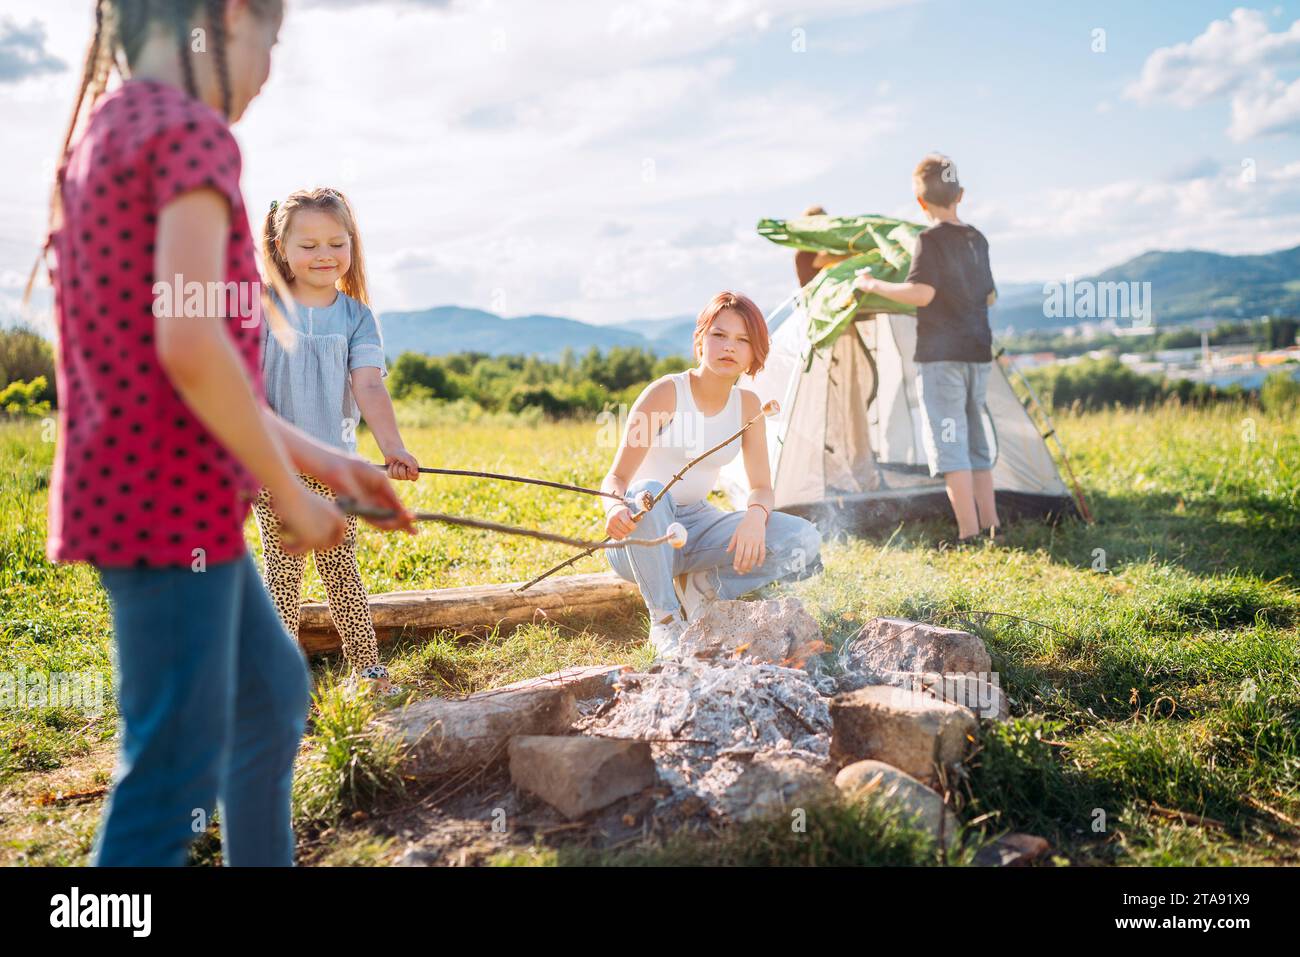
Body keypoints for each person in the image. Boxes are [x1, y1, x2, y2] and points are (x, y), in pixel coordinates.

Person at [38, 0, 414, 866]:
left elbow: (196, 363)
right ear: (231, 16)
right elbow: (192, 343)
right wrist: (291, 497)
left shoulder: (108, 131)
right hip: (168, 508)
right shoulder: (192, 135)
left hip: (145, 497)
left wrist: (328, 465)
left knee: (273, 694)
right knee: (169, 775)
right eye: (271, 41)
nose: (270, 68)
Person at [600, 291, 823, 656]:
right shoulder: (665, 394)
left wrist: (755, 515)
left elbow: (763, 487)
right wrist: (614, 510)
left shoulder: (748, 406)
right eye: (719, 335)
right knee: (649, 491)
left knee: (802, 537)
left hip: (696, 527)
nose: (729, 347)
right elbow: (616, 480)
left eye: (743, 340)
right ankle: (666, 622)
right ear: (700, 339)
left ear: (755, 352)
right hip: (641, 533)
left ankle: (702, 587)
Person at [258, 188, 419, 695]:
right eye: (308, 245)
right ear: (281, 247)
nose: (324, 255)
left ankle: (367, 670)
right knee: (282, 575)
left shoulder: (356, 316)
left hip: (335, 468)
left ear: (352, 245)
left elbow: (368, 384)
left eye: (336, 243)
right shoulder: (262, 307)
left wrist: (392, 446)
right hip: (273, 466)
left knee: (340, 566)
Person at [853, 154, 1000, 545]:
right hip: (978, 353)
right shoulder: (977, 239)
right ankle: (992, 527)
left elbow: (921, 293)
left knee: (951, 443)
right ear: (961, 194)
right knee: (976, 442)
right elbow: (990, 297)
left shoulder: (928, 240)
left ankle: (968, 535)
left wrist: (873, 286)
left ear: (920, 203)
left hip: (942, 357)